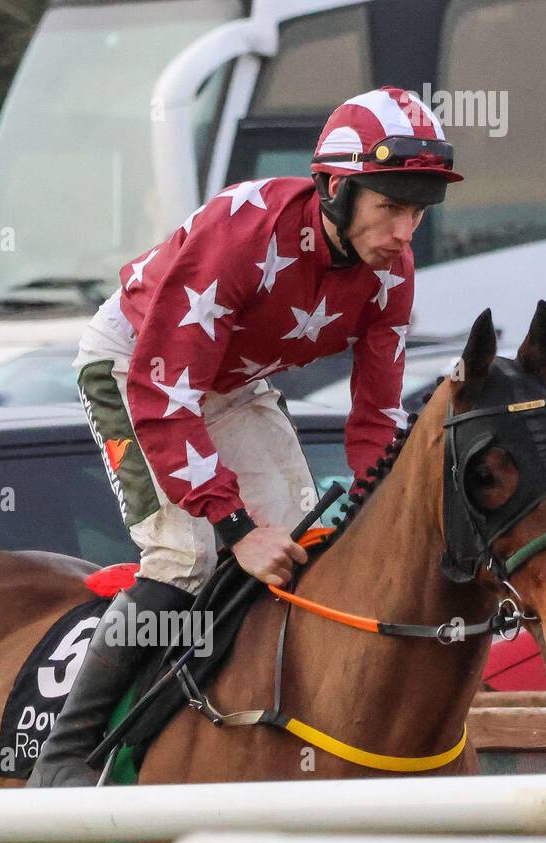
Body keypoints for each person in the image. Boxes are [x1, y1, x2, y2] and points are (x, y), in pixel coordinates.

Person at [28, 86, 462, 787]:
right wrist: (234, 526)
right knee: (186, 552)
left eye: (417, 211)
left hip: (227, 380)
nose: (405, 233)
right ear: (332, 190)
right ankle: (65, 754)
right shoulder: (242, 234)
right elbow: (163, 390)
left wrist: (386, 510)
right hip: (137, 364)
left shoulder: (390, 272)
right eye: (389, 208)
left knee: (296, 543)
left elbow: (377, 419)